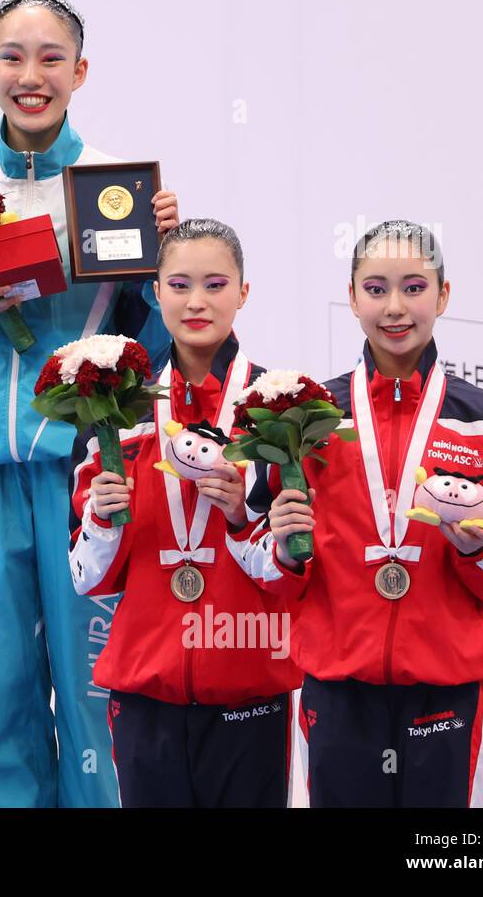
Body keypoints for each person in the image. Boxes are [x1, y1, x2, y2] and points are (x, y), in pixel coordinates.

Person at [0, 0, 179, 807]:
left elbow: (152, 358)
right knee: (4, 693)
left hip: (86, 468)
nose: (31, 75)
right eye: (13, 57)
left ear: (80, 71)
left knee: (93, 689)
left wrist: (158, 277)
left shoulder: (115, 191)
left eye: (51, 58)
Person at [243, 220, 483, 807]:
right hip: (337, 683)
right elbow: (261, 562)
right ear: (352, 296)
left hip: (449, 684)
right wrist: (280, 547)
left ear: (443, 295)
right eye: (376, 289)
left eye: (413, 287)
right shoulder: (304, 417)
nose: (395, 307)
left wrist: (477, 545)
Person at [69, 218, 302, 806]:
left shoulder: (282, 411)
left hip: (250, 686)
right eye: (178, 285)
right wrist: (100, 519)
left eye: (216, 284)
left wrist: (241, 519)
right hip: (146, 687)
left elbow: (295, 576)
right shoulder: (114, 412)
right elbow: (88, 580)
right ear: (154, 292)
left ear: (244, 293)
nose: (196, 302)